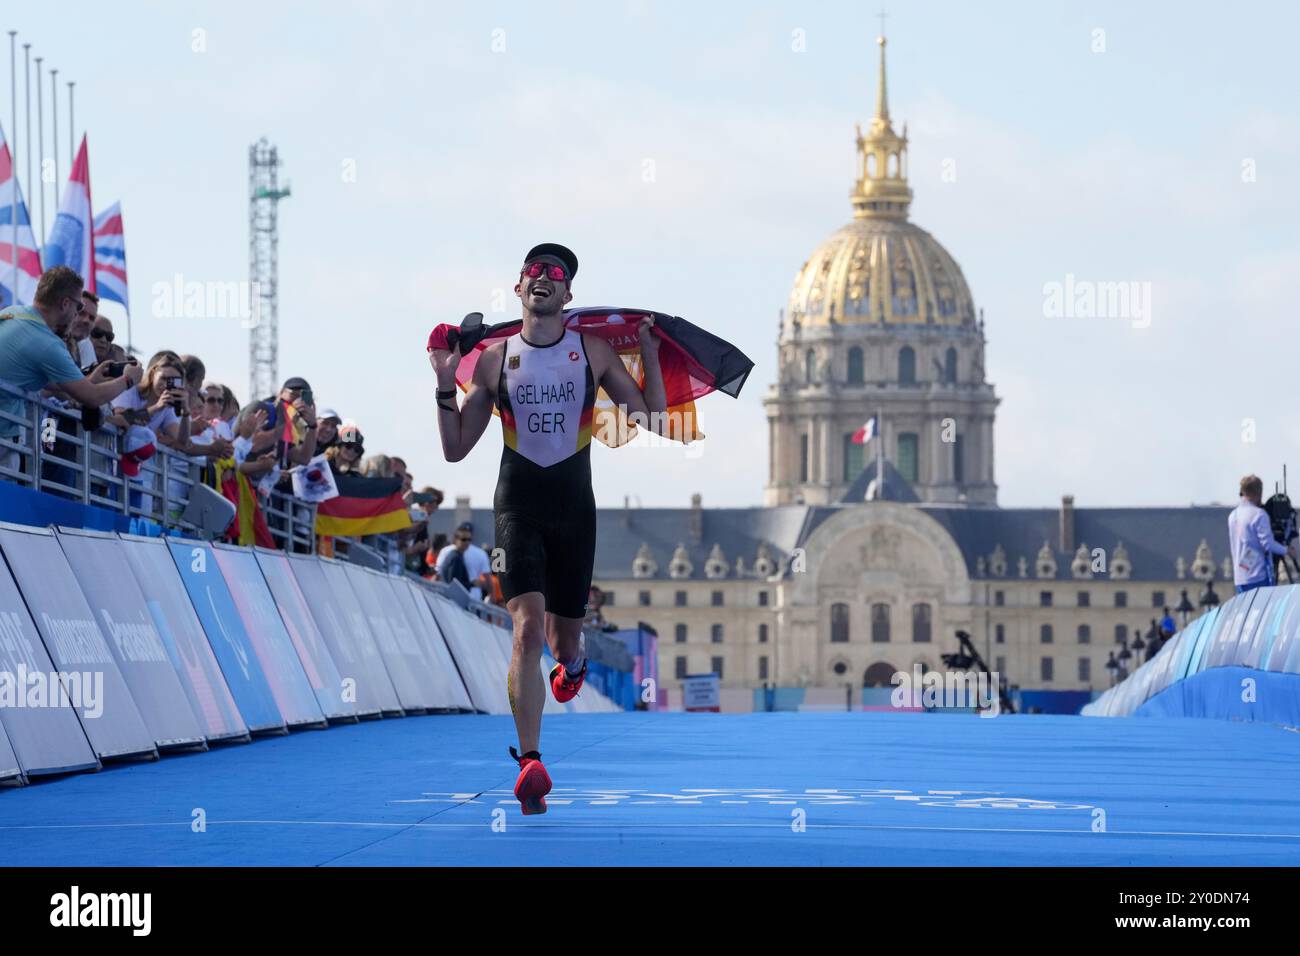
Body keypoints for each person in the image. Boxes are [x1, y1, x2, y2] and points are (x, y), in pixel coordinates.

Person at [428, 241, 667, 814]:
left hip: (574, 509)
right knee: (527, 631)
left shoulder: (594, 352)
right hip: (517, 507)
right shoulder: (493, 359)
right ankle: (531, 761)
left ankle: (575, 662)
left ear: (567, 294)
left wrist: (651, 354)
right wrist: (442, 379)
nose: (543, 277)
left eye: (555, 274)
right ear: (519, 289)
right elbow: (456, 449)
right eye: (533, 271)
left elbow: (651, 417)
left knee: (563, 639)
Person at [0, 267, 142, 473]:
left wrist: (89, 379)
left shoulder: (11, 313)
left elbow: (42, 379)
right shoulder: (48, 343)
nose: (78, 315)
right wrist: (128, 379)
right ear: (65, 303)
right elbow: (91, 398)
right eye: (79, 306)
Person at [1228, 474, 1296, 593]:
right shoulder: (1258, 514)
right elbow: (1268, 544)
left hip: (1240, 577)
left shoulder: (1233, 516)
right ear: (1259, 492)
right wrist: (1287, 550)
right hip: (1258, 576)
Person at [434, 521, 492, 600]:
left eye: (469, 539)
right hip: (457, 601)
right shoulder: (455, 557)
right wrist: (472, 584)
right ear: (456, 539)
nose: (467, 542)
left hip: (466, 599)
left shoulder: (455, 554)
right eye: (464, 539)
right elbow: (453, 584)